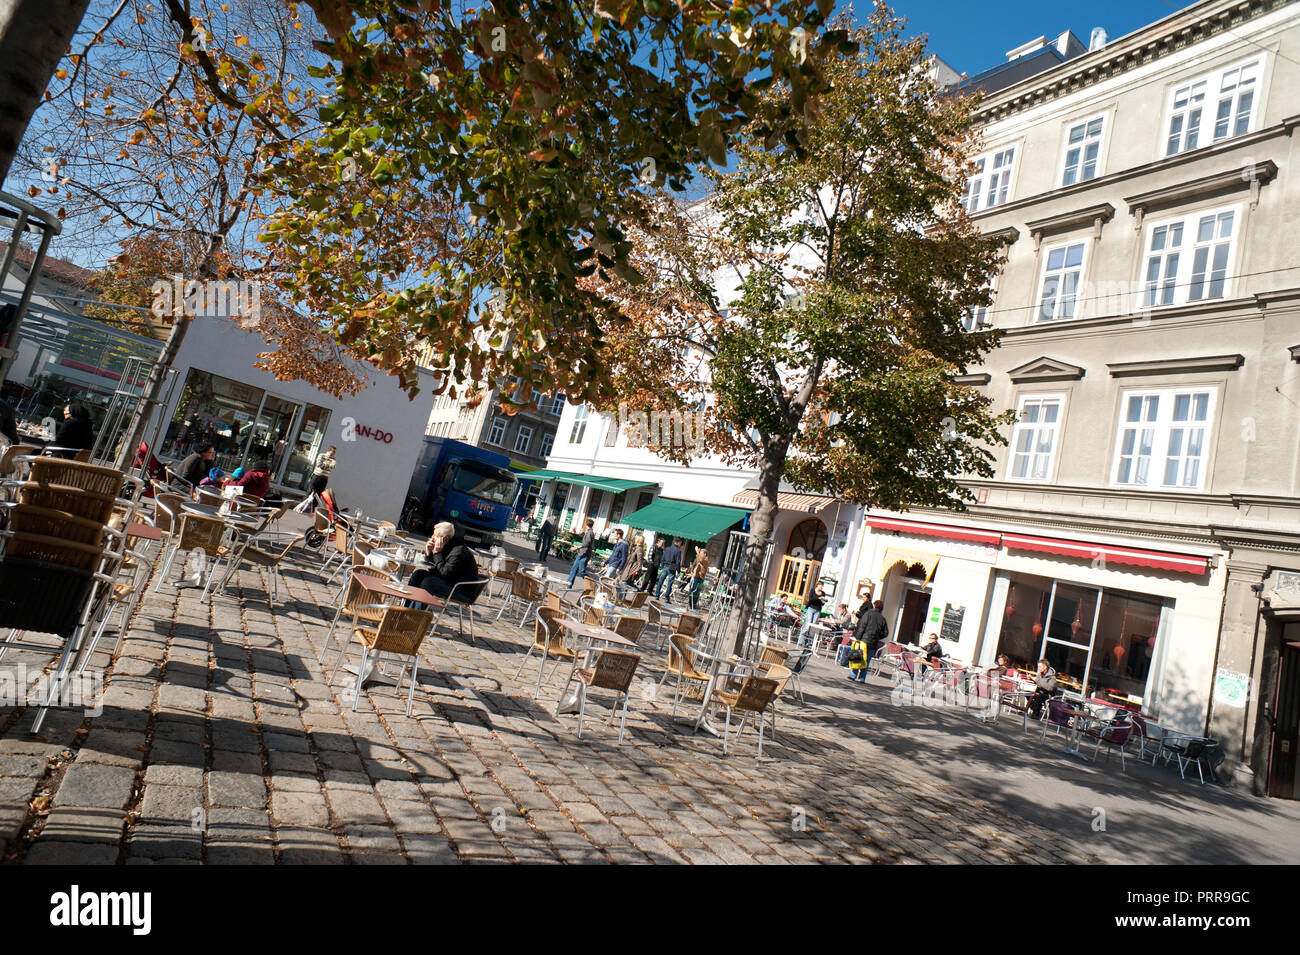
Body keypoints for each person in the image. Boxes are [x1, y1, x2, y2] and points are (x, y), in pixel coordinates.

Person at [407, 521, 483, 605]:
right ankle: (405, 608)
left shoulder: (458, 551)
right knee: (418, 574)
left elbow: (444, 573)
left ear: (445, 539)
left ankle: (417, 614)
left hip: (460, 590)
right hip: (449, 581)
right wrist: (429, 552)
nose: (431, 537)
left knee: (429, 582)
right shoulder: (444, 546)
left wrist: (437, 553)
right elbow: (435, 571)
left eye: (435, 536)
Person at [566, 518, 596, 587]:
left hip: (585, 555)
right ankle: (568, 584)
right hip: (581, 554)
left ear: (586, 524)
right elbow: (584, 538)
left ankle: (591, 584)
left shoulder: (590, 533)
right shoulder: (589, 532)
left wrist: (576, 548)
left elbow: (586, 543)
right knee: (574, 569)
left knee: (581, 572)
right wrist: (576, 532)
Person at [798, 581, 827, 646]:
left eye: (822, 586)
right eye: (821, 585)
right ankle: (800, 640)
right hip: (811, 608)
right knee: (807, 625)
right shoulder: (813, 590)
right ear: (817, 585)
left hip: (818, 610)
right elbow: (811, 599)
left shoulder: (823, 593)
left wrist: (823, 601)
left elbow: (822, 604)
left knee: (813, 626)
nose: (822, 587)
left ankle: (808, 642)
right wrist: (818, 598)